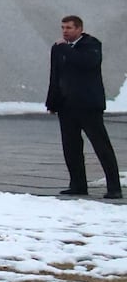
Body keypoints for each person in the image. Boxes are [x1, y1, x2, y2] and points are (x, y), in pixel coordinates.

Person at [47, 14, 121, 198]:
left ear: (79, 29)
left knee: (101, 146)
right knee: (71, 147)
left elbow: (86, 63)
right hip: (66, 105)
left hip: (88, 105)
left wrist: (65, 48)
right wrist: (52, 101)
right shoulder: (58, 49)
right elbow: (55, 76)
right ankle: (78, 185)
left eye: (69, 28)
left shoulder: (91, 45)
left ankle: (114, 187)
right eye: (63, 28)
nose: (65, 31)